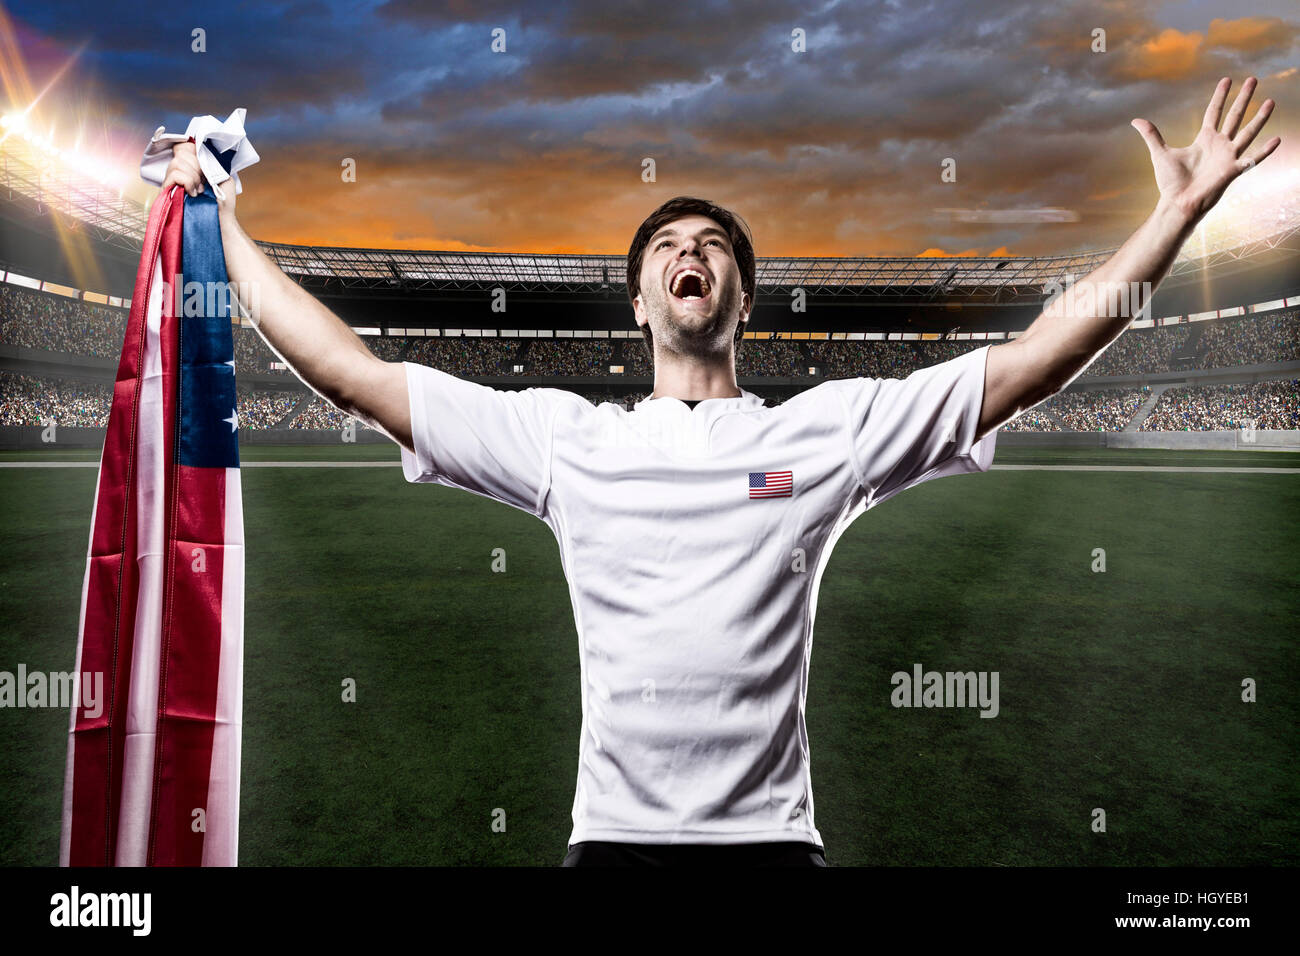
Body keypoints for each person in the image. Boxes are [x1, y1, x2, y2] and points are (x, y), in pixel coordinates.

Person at [157, 77, 1277, 866]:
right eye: (665, 248)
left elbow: (1029, 362)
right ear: (639, 300)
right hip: (610, 844)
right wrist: (222, 223)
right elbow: (353, 373)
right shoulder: (567, 438)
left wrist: (1175, 213)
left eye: (714, 248)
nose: (690, 254)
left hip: (774, 848)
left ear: (744, 296)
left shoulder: (827, 432)